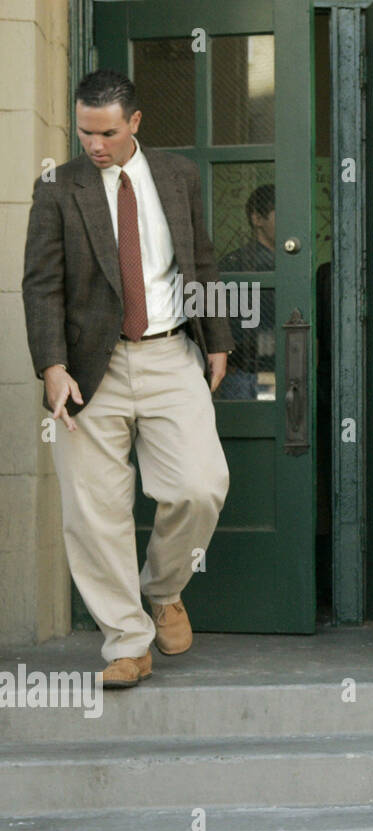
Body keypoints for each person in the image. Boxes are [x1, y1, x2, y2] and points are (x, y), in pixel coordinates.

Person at [22, 70, 232, 688]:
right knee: (94, 512)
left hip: (170, 354)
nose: (94, 144)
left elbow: (200, 258)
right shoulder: (57, 187)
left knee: (201, 485)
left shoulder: (177, 175)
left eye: (107, 132)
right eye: (85, 131)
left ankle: (163, 590)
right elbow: (42, 284)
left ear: (135, 123)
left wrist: (218, 340)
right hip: (91, 366)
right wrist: (52, 366)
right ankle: (127, 641)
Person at [216, 184, 275, 400]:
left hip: (272, 372)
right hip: (244, 372)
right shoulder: (234, 266)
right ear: (257, 219)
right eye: (280, 214)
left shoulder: (289, 266)